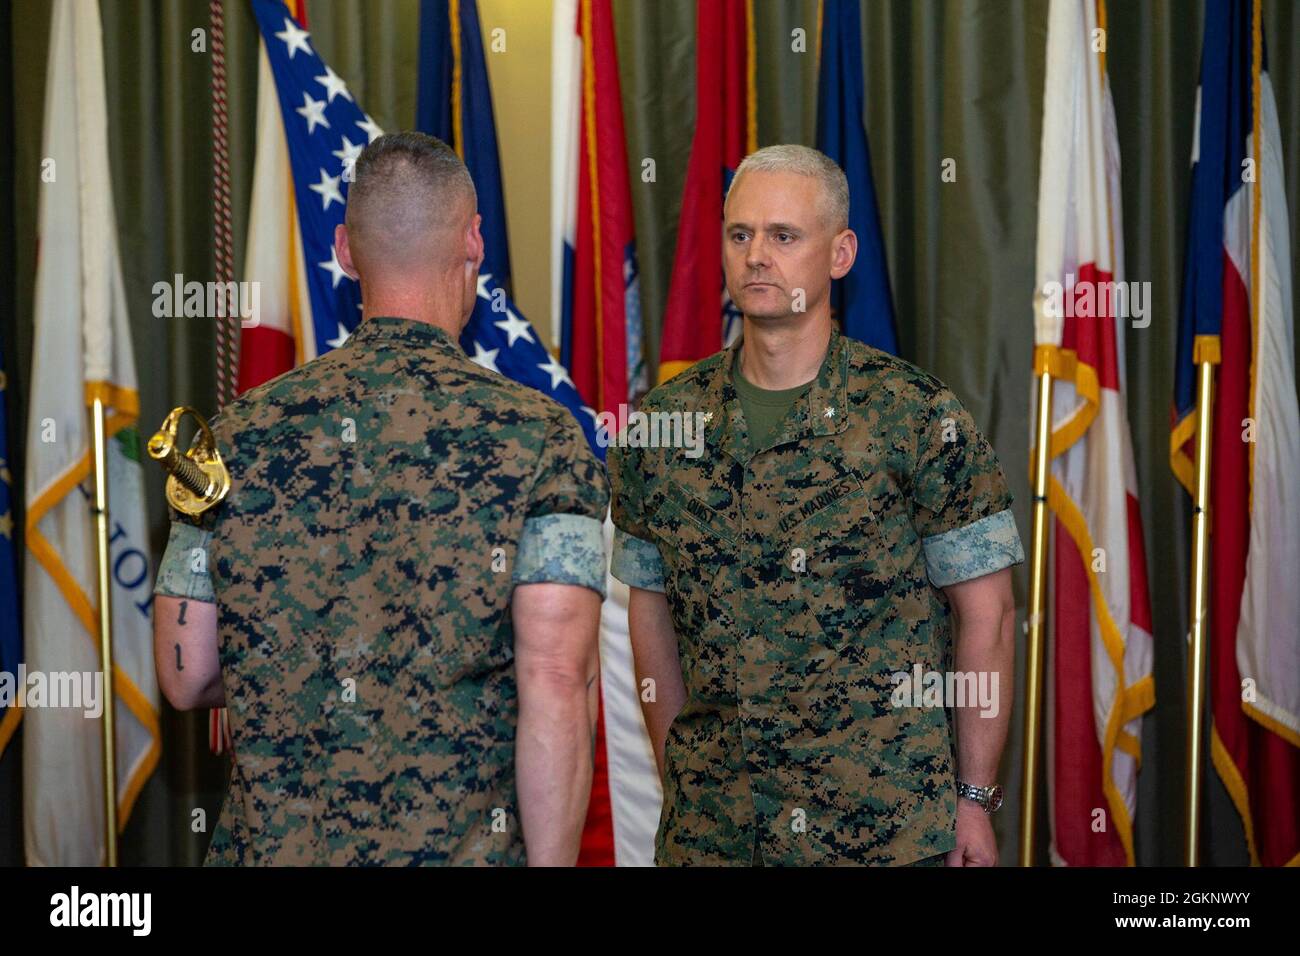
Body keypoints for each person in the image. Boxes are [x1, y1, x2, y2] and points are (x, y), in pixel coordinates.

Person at [153, 132, 608, 866]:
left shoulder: (232, 437)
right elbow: (556, 681)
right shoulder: (542, 440)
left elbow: (187, 675)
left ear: (342, 248)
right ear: (473, 242)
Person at [609, 144, 1025, 866]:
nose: (756, 257)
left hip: (884, 832)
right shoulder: (663, 426)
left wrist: (975, 798)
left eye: (783, 236)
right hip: (717, 835)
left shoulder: (916, 416)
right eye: (740, 235)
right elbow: (652, 614)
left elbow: (988, 615)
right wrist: (687, 778)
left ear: (839, 254)